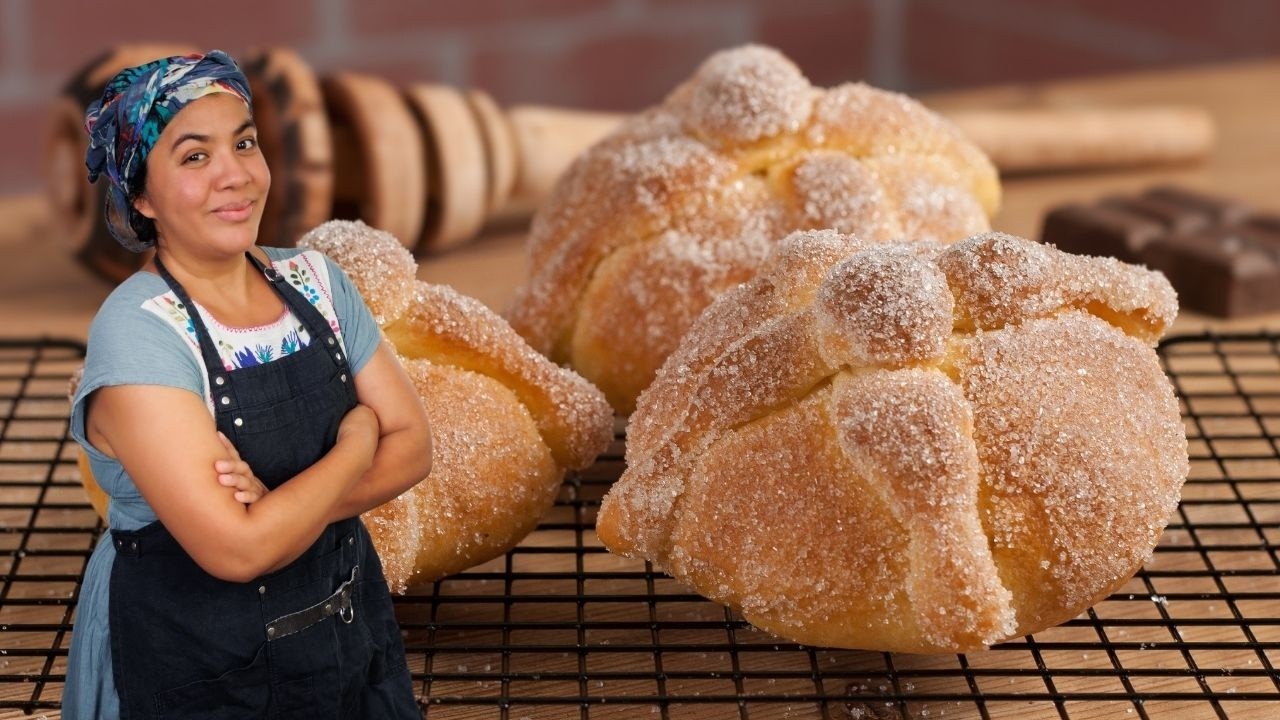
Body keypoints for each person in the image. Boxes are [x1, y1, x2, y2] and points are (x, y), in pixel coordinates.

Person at [64, 49, 431, 718]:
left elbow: (414, 448)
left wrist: (279, 512)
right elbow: (237, 550)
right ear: (141, 195)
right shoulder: (139, 333)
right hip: (190, 671)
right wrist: (357, 439)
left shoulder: (315, 282)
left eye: (245, 143)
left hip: (347, 647)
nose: (235, 175)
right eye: (195, 157)